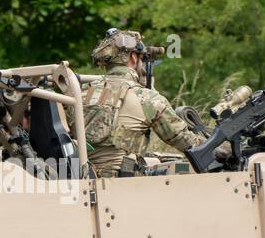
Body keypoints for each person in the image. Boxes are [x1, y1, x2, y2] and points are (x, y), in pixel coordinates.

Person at [81, 28, 205, 177]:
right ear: (133, 57)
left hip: (83, 179)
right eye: (142, 59)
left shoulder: (81, 93)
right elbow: (187, 142)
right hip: (123, 185)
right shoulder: (147, 98)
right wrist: (222, 146)